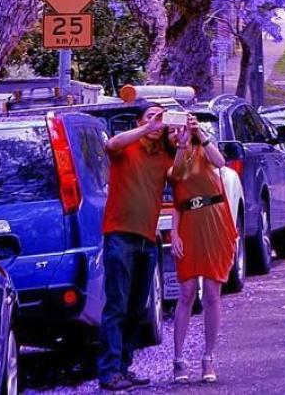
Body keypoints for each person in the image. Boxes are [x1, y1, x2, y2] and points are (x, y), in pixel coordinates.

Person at [99, 104, 177, 390]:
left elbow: (185, 171)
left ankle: (123, 367)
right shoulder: (127, 148)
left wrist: (186, 133)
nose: (156, 123)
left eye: (160, 118)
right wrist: (147, 127)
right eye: (149, 116)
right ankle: (108, 372)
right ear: (139, 121)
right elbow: (110, 143)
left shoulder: (165, 156)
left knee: (136, 307)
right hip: (119, 234)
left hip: (147, 237)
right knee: (116, 304)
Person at [169, 115, 237, 385]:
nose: (179, 132)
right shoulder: (172, 155)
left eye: (182, 127)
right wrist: (174, 233)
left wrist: (201, 134)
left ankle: (208, 357)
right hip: (189, 222)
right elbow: (178, 176)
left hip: (215, 218)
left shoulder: (204, 148)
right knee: (186, 291)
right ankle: (178, 359)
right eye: (173, 130)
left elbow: (220, 162)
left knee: (212, 292)